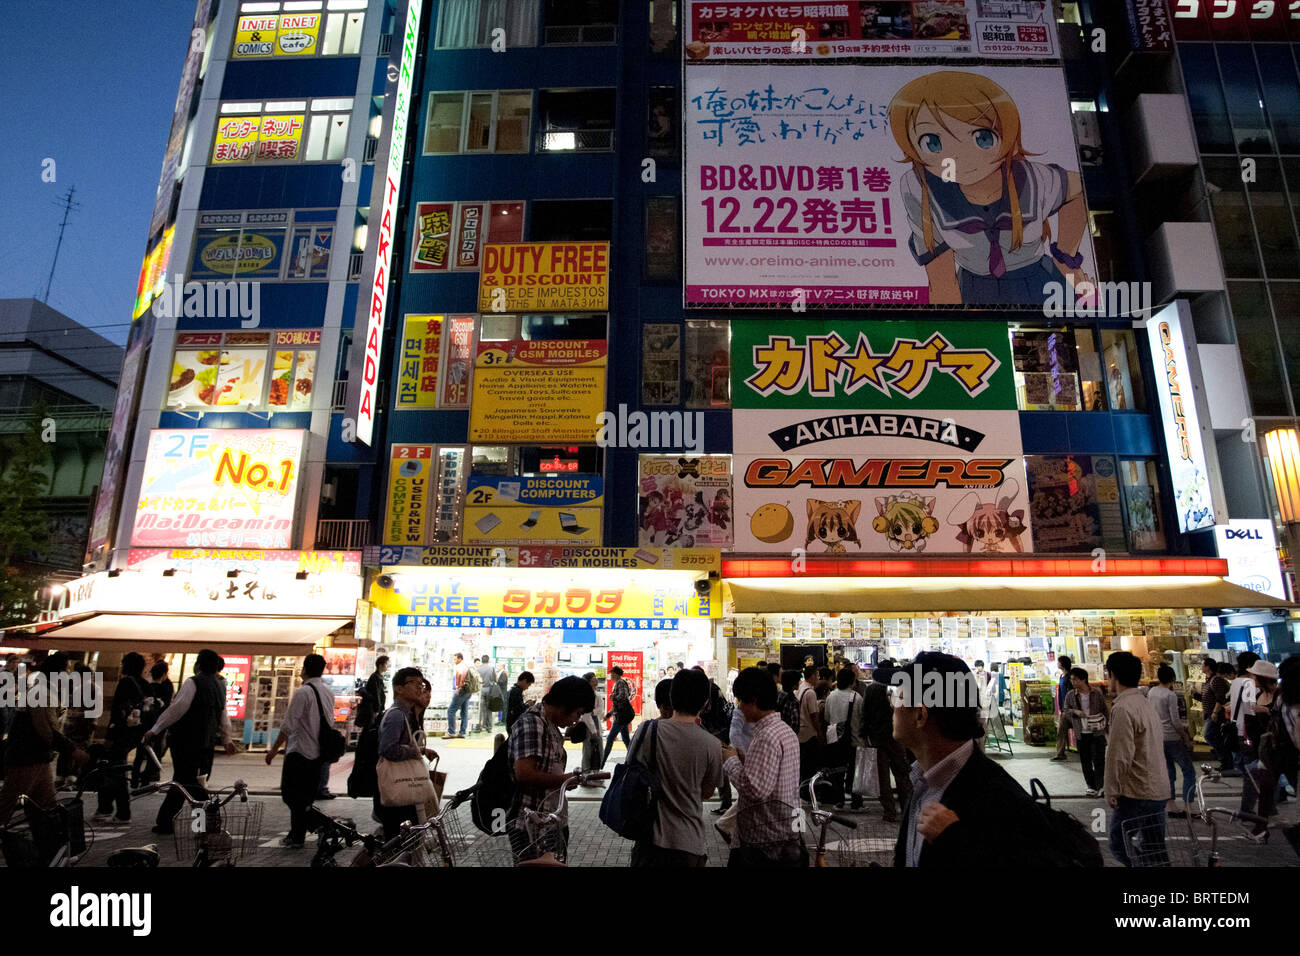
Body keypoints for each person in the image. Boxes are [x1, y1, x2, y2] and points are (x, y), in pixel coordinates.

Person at [893, 652, 1069, 867]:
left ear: (920, 715)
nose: (892, 706)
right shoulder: (924, 781)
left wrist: (956, 840)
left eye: (897, 698)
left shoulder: (996, 795)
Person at [628, 668, 723, 867]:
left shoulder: (646, 731)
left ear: (671, 695)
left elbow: (631, 773)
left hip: (650, 840)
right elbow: (706, 793)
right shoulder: (712, 745)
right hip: (689, 842)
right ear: (705, 702)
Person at [144, 649, 236, 836]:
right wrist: (227, 738)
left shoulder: (193, 683)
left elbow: (177, 709)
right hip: (205, 743)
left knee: (188, 784)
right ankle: (168, 822)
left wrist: (155, 729)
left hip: (185, 740)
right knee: (185, 781)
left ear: (199, 664)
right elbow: (223, 714)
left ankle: (203, 823)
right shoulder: (220, 686)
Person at [722, 667, 805, 867]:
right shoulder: (784, 730)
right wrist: (745, 759)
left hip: (763, 839)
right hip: (784, 832)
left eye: (742, 701)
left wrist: (731, 760)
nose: (740, 708)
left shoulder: (766, 737)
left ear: (755, 700)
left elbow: (755, 789)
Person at [508, 675, 596, 862]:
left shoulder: (551, 726)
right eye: (577, 713)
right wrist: (566, 780)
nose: (576, 720)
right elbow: (524, 774)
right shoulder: (532, 723)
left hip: (549, 821)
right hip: (531, 825)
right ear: (565, 704)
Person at [0, 654, 88, 826]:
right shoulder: (41, 693)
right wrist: (73, 750)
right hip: (26, 758)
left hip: (39, 757)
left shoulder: (47, 692)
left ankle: (48, 848)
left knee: (46, 807)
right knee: (8, 804)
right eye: (67, 669)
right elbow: (47, 730)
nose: (69, 674)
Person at [1103, 651, 1169, 866]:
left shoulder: (1123, 707)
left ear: (1113, 675)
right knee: (1155, 848)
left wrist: (1112, 789)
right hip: (1157, 788)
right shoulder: (1144, 702)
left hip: (1137, 790)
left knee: (1118, 842)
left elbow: (1119, 755)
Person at [265, 654, 336, 848]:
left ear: (304, 669)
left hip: (299, 752)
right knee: (304, 798)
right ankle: (298, 834)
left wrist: (273, 750)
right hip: (318, 754)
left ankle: (319, 827)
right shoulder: (328, 693)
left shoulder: (303, 692)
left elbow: (288, 725)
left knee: (290, 795)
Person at [371, 667, 439, 840]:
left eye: (421, 684)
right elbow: (388, 749)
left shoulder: (405, 714)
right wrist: (416, 751)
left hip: (403, 790)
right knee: (399, 844)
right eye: (413, 683)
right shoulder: (396, 715)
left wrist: (420, 750)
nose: (419, 688)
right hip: (398, 790)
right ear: (398, 688)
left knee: (400, 842)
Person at [93, 652, 148, 823]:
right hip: (136, 734)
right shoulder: (145, 685)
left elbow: (117, 712)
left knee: (112, 770)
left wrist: (109, 735)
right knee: (116, 769)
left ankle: (120, 811)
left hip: (121, 734)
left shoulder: (125, 683)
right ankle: (106, 808)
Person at [863, 664, 911, 823]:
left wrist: (866, 734)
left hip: (877, 737)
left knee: (882, 776)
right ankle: (906, 809)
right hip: (896, 737)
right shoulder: (900, 688)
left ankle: (889, 812)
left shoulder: (871, 689)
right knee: (902, 773)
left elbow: (865, 712)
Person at [1147, 664, 1195, 817]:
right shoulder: (1170, 695)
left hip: (1157, 737)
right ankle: (1188, 805)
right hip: (1172, 737)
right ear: (1173, 678)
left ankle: (1170, 804)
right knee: (1188, 770)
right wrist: (1185, 736)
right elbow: (1175, 720)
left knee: (1168, 771)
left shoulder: (1152, 692)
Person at [1240, 659, 1281, 834]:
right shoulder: (1258, 695)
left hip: (1280, 749)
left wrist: (1265, 711)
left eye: (1254, 675)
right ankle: (1260, 822)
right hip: (1263, 749)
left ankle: (1256, 820)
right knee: (1263, 784)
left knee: (1262, 782)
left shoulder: (1280, 696)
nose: (1251, 678)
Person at [822, 667, 865, 809]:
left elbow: (827, 718)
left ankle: (838, 801)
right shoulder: (856, 697)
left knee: (837, 772)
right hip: (853, 740)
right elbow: (861, 719)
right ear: (852, 681)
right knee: (854, 772)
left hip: (834, 740)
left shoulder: (831, 696)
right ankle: (856, 803)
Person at [1063, 667, 1108, 797]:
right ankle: (1091, 786)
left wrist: (1106, 727)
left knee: (1099, 759)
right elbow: (1065, 710)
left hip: (1097, 731)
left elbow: (1104, 709)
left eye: (1075, 679)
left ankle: (1101, 786)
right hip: (1081, 732)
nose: (1073, 682)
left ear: (1083, 679)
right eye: (1072, 680)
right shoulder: (1071, 695)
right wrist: (1075, 712)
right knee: (1085, 760)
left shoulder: (1096, 692)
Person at [133, 659, 173, 786]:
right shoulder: (167, 687)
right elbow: (167, 707)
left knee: (141, 751)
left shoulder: (148, 687)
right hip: (159, 724)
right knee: (154, 751)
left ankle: (135, 778)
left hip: (145, 723)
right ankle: (147, 777)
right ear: (164, 674)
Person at [1198, 657, 1233, 772]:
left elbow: (1219, 698)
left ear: (1208, 667)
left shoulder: (1215, 680)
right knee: (1215, 737)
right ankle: (1225, 761)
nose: (1201, 666)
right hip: (1210, 713)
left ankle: (1225, 760)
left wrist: (1215, 712)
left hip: (1215, 714)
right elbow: (1207, 698)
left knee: (1209, 735)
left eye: (1203, 664)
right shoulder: (1207, 680)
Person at [1227, 651, 1260, 772]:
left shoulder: (1235, 682)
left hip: (1238, 728)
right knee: (1253, 768)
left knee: (1246, 766)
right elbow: (1252, 709)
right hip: (1249, 730)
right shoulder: (1250, 683)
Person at [601, 666, 635, 766]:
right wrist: (608, 715)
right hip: (621, 715)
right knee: (626, 739)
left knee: (610, 738)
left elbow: (623, 697)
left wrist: (613, 697)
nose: (610, 675)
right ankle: (633, 759)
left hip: (620, 716)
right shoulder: (618, 683)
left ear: (616, 674)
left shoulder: (620, 682)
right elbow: (617, 704)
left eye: (611, 673)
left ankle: (602, 762)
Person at [576, 673, 605, 787]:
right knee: (588, 751)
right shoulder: (586, 695)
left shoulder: (596, 694)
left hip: (596, 726)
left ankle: (594, 773)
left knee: (598, 751)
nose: (596, 680)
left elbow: (600, 710)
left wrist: (595, 712)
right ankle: (587, 775)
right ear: (588, 681)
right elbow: (586, 715)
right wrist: (593, 730)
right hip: (589, 727)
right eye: (593, 679)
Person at [796, 664, 823, 785]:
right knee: (810, 766)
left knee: (803, 765)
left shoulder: (800, 688)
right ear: (812, 676)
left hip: (800, 732)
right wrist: (819, 732)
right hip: (809, 733)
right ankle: (808, 792)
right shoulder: (810, 692)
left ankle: (803, 790)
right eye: (817, 675)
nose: (818, 678)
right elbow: (814, 715)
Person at [0, 654, 20, 780]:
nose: (15, 665)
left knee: (7, 731)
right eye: (13, 662)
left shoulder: (15, 675)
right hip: (4, 706)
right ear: (8, 662)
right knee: (4, 728)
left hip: (11, 705)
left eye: (16, 663)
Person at [355, 655, 388, 731]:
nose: (387, 666)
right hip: (372, 709)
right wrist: (377, 709)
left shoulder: (378, 676)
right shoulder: (375, 677)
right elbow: (376, 694)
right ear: (380, 665)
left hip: (374, 708)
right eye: (386, 664)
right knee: (369, 729)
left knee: (371, 728)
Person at [444, 652, 472, 739]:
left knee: (451, 710)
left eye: (455, 659)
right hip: (468, 691)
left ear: (460, 659)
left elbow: (462, 677)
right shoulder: (467, 665)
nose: (454, 661)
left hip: (462, 690)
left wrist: (459, 687)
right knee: (464, 712)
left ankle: (451, 732)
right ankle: (462, 732)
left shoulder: (460, 666)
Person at [1051, 655, 1073, 761]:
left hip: (1070, 709)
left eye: (1058, 662)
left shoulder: (1070, 677)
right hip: (1064, 709)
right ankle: (1060, 753)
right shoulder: (1061, 676)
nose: (1057, 664)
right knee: (1061, 731)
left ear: (1063, 663)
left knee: (1076, 731)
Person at [474, 655, 499, 735]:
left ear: (482, 660)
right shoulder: (491, 668)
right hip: (489, 690)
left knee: (481, 709)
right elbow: (495, 679)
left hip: (481, 690)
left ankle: (480, 726)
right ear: (488, 660)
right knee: (489, 709)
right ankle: (489, 727)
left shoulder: (478, 669)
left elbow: (476, 680)